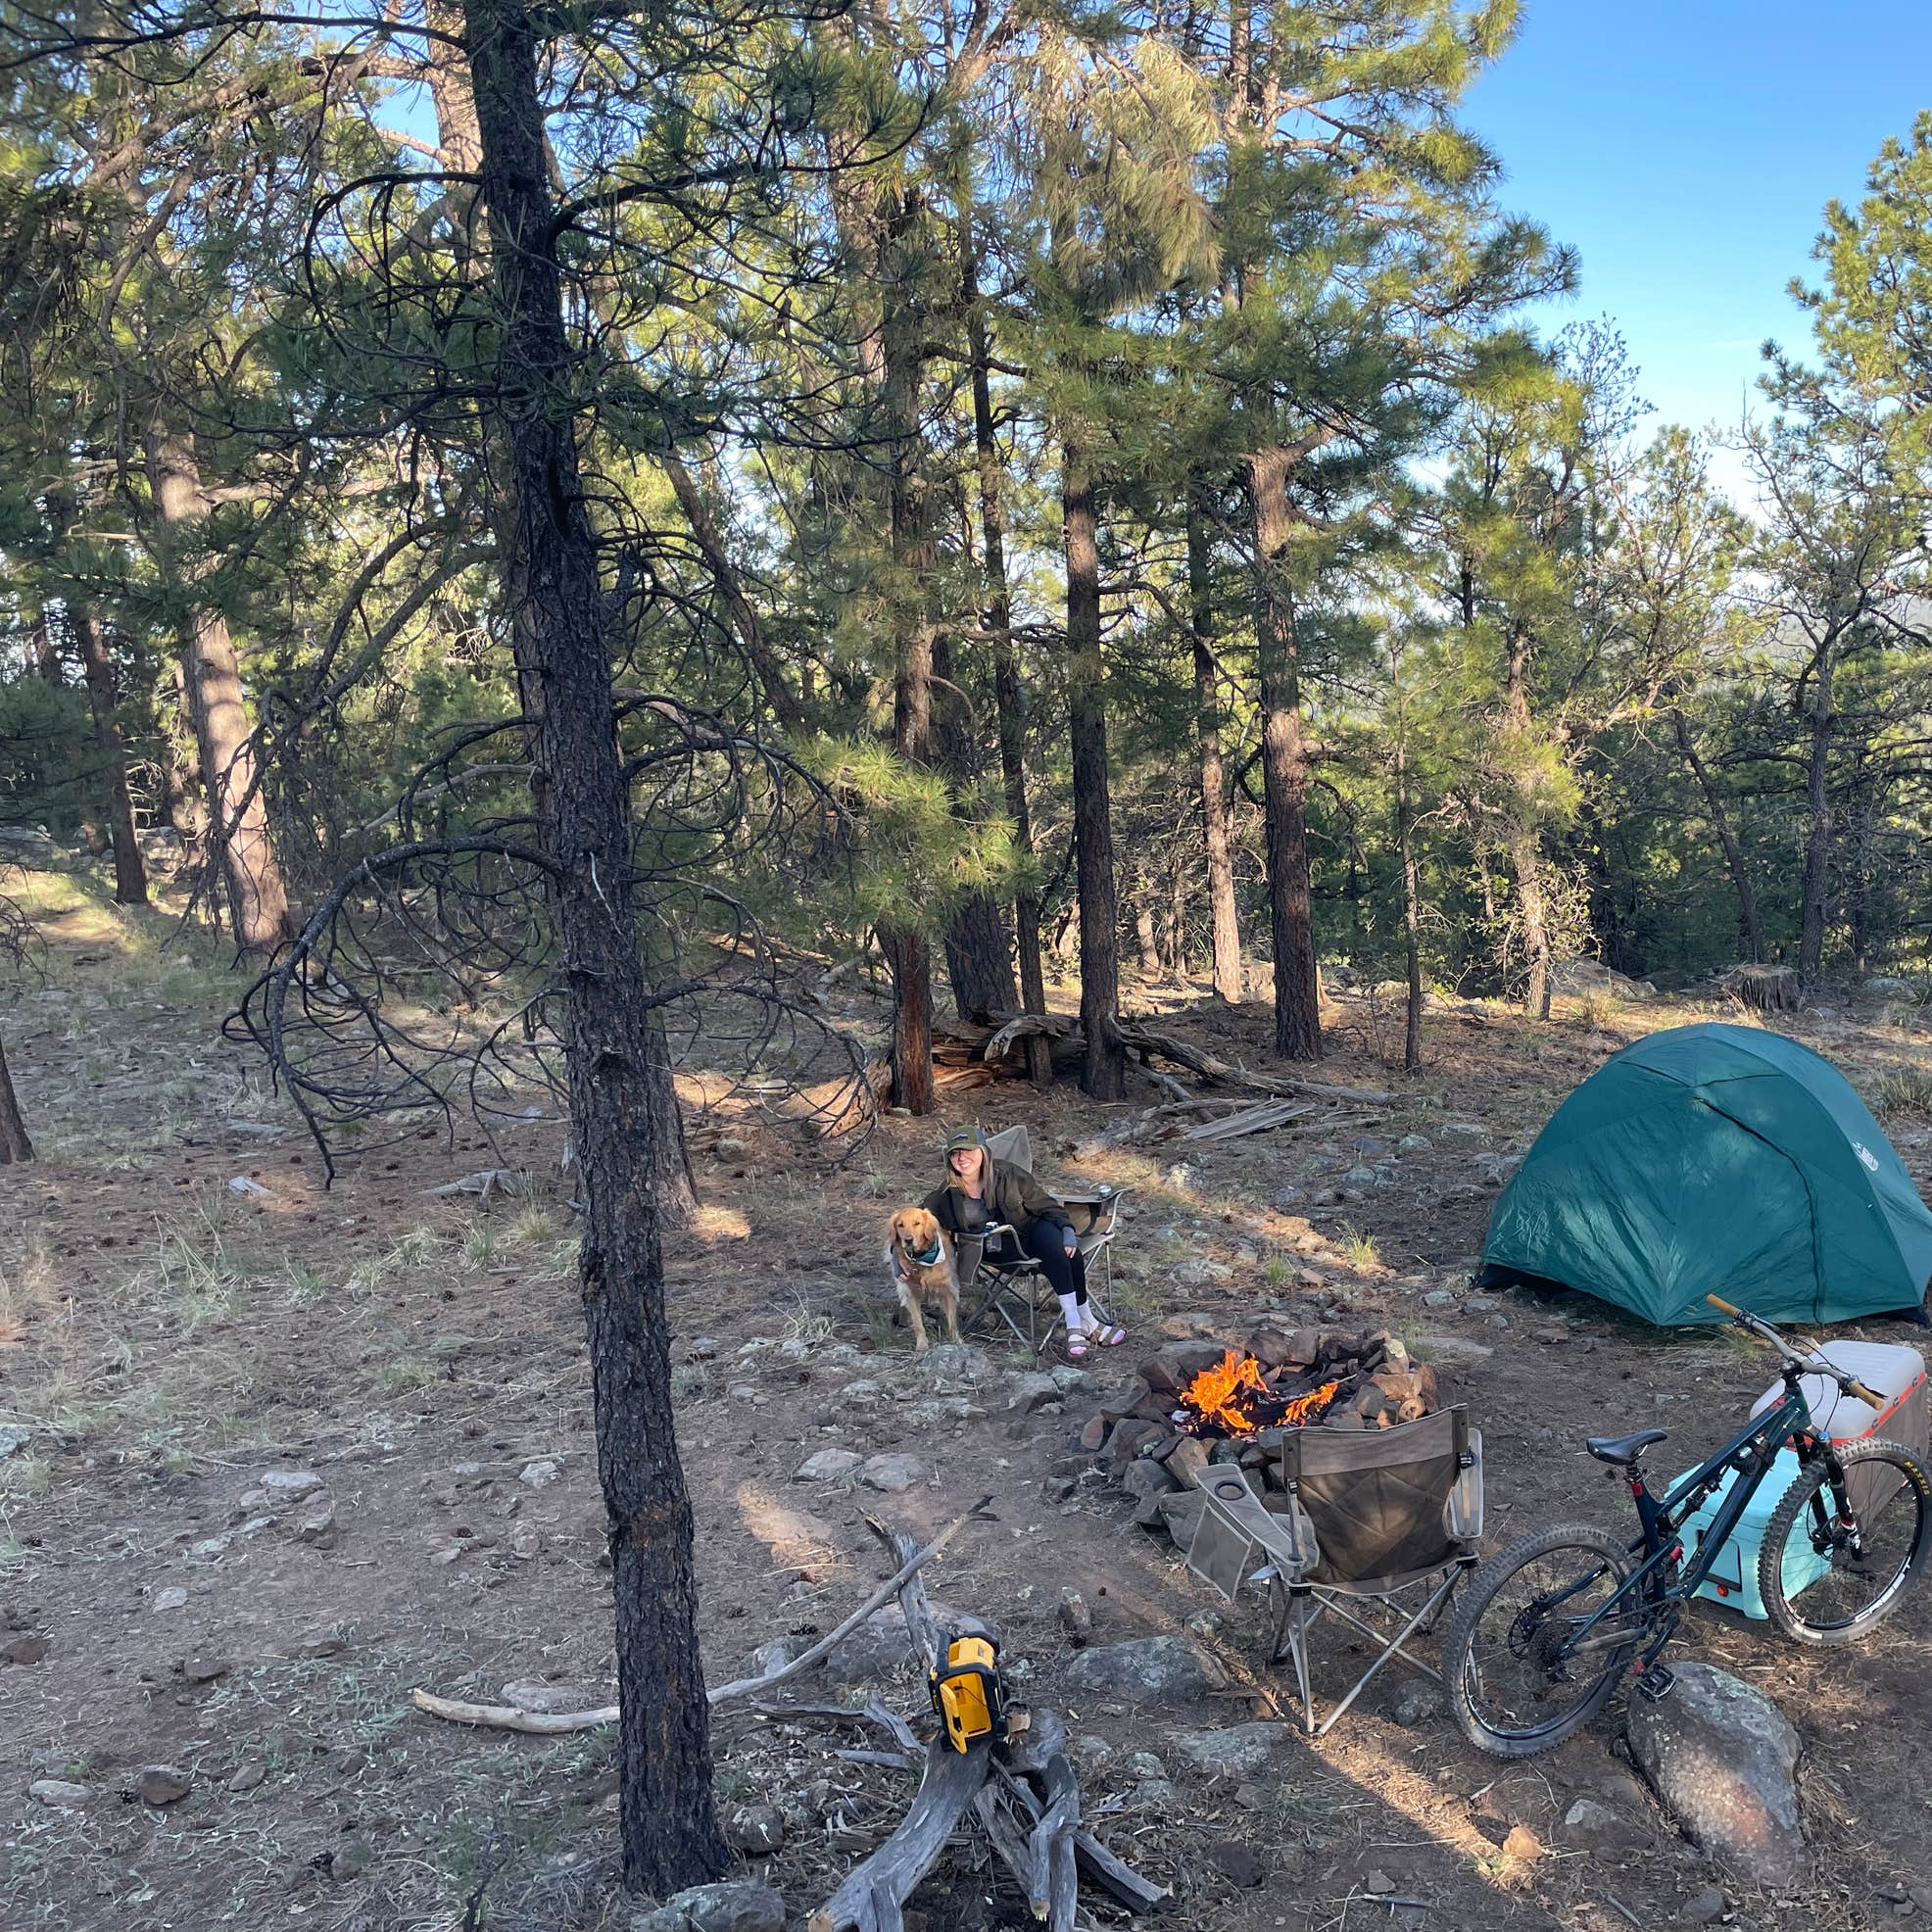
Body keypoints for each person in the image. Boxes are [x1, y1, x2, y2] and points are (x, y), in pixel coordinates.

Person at [922, 1126, 1127, 1359]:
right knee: (1061, 1254)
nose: (962, 1158)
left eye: (968, 1150)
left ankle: (1075, 1323)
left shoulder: (1008, 1174)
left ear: (983, 1151)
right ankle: (1087, 1322)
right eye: (955, 1153)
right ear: (949, 1158)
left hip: (1031, 1232)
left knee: (1061, 1247)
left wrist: (1068, 1229)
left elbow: (1046, 1205)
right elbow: (914, 1222)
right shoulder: (945, 1195)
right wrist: (903, 1260)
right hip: (998, 1251)